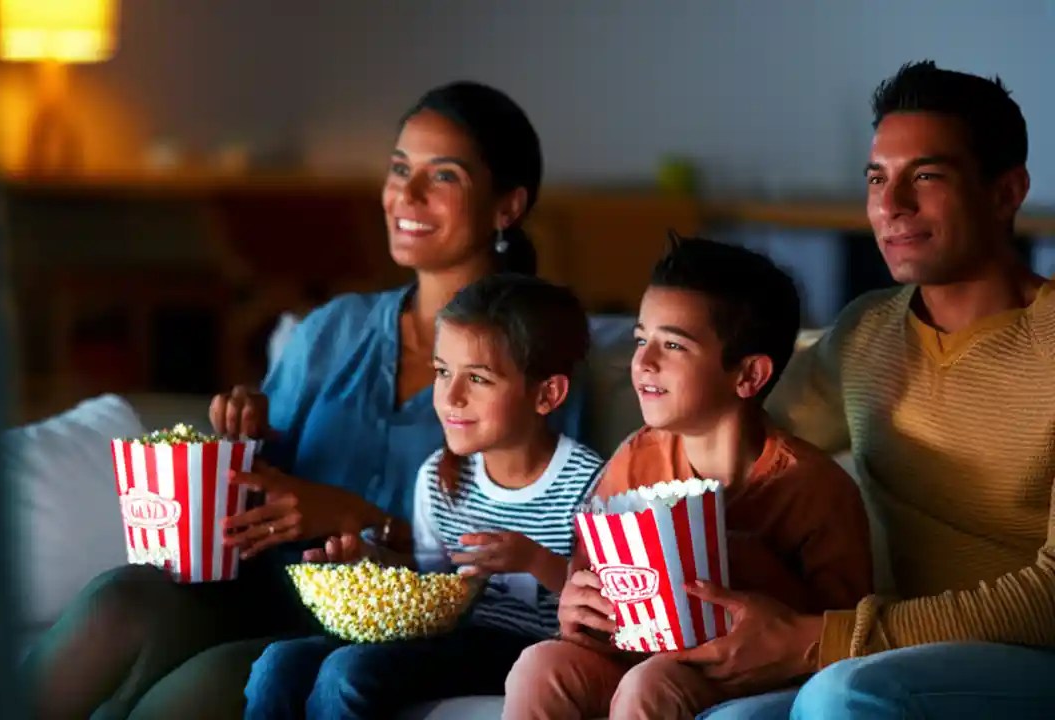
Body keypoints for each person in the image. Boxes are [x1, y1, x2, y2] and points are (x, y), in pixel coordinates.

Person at [23, 81, 588, 720]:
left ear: (507, 206)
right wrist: (242, 438)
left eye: (443, 176)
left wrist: (354, 516)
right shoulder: (333, 329)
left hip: (382, 630)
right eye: (399, 168)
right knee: (119, 598)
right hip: (257, 589)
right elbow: (254, 489)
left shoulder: (535, 361)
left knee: (209, 683)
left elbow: (520, 550)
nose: (406, 194)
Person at [672, 61, 1055, 719]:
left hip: (1033, 656)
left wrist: (818, 639)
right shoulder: (866, 332)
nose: (891, 205)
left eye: (926, 176)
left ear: (1005, 191)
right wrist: (597, 563)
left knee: (843, 694)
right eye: (877, 179)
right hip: (899, 656)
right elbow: (736, 447)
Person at [501, 236, 872, 719]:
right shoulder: (635, 460)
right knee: (540, 665)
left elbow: (845, 641)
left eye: (673, 345)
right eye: (641, 340)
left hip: (737, 675)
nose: (643, 362)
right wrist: (577, 606)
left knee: (650, 684)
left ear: (749, 376)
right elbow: (587, 578)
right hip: (634, 657)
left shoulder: (814, 489)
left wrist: (750, 569)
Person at [243, 273, 605, 719]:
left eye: (478, 378)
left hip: (527, 649)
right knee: (278, 664)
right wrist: (371, 560)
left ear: (547, 393)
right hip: (446, 636)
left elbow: (605, 604)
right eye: (442, 372)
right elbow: (434, 581)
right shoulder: (438, 477)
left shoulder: (588, 484)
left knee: (347, 673)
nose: (451, 396)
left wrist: (534, 560)